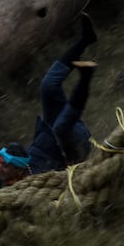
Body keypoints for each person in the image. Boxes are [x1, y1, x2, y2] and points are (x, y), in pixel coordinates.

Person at [27, 16, 93, 172]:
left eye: (5, 163)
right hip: (71, 149)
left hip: (49, 130)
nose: (3, 166)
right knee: (61, 127)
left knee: (48, 86)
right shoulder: (30, 181)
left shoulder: (8, 170)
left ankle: (85, 40)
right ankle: (86, 77)